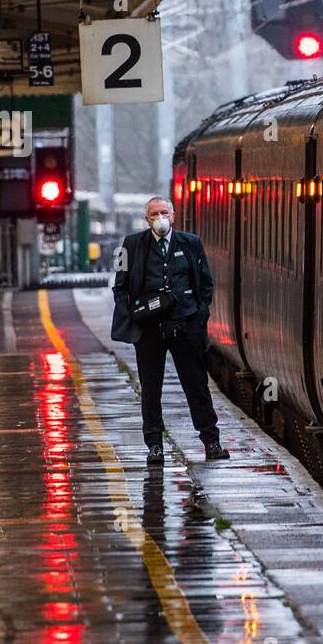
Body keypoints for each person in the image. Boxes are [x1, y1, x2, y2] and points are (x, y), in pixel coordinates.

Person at [111, 196, 229, 463]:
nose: (159, 218)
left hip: (186, 326)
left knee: (197, 385)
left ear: (173, 216)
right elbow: (120, 285)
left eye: (164, 212)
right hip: (149, 330)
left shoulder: (191, 243)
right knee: (150, 390)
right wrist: (132, 315)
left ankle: (211, 441)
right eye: (154, 214)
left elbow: (205, 284)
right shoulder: (131, 245)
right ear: (146, 219)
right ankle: (154, 445)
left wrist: (199, 317)